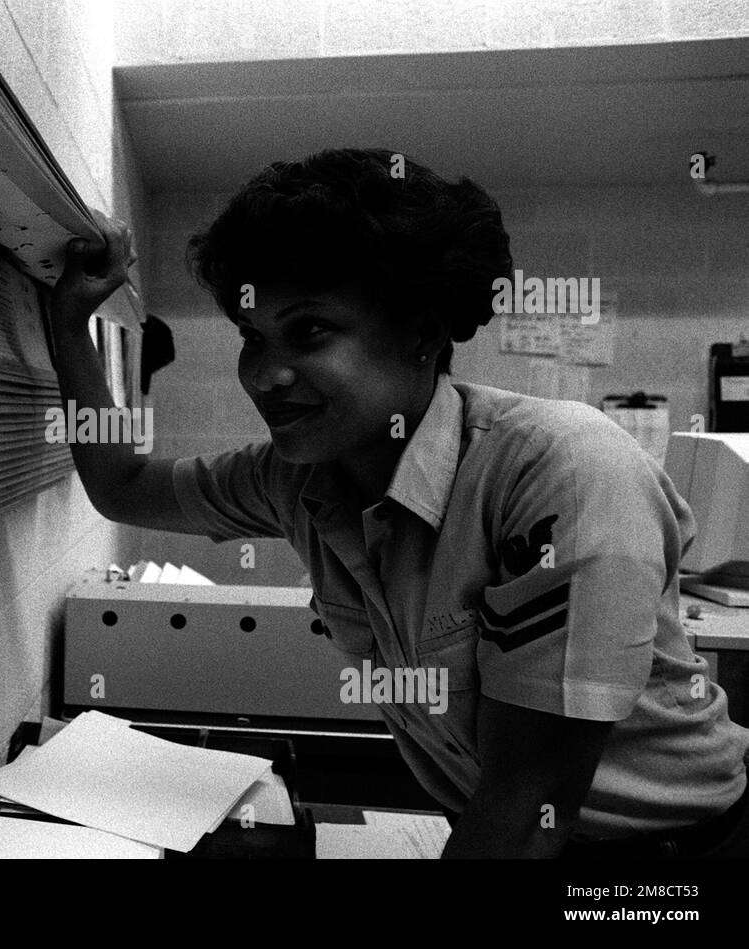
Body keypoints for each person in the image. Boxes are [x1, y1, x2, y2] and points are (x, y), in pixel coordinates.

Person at [46, 148, 749, 859]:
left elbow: (529, 800)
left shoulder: (560, 470)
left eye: (309, 330)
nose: (264, 374)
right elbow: (121, 485)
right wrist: (70, 326)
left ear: (421, 331)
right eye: (252, 338)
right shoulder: (298, 477)